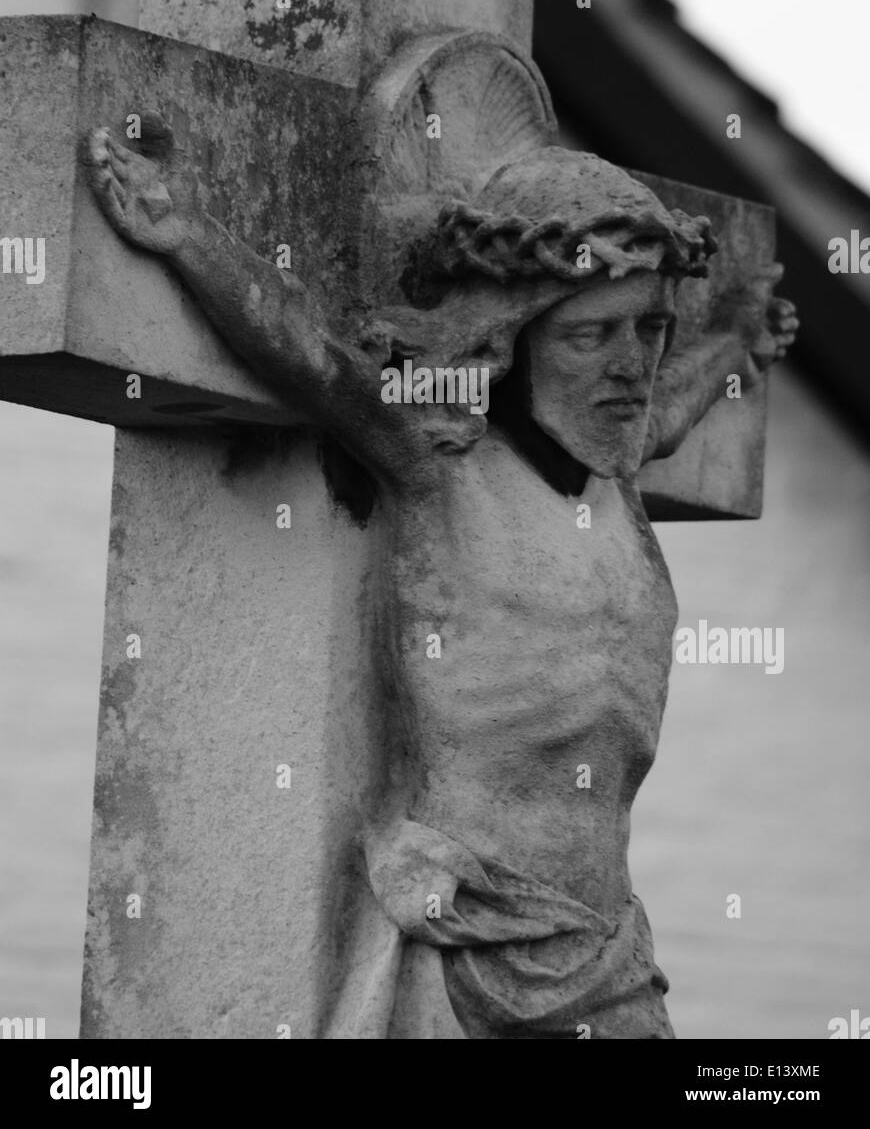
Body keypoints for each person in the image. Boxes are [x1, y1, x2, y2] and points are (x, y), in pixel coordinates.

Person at [86, 131, 796, 1038]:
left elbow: (671, 406)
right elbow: (312, 359)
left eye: (648, 329)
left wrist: (737, 336)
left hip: (609, 949)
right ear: (517, 337)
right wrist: (185, 232)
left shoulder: (617, 475)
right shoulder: (441, 464)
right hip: (471, 936)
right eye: (591, 334)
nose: (631, 362)